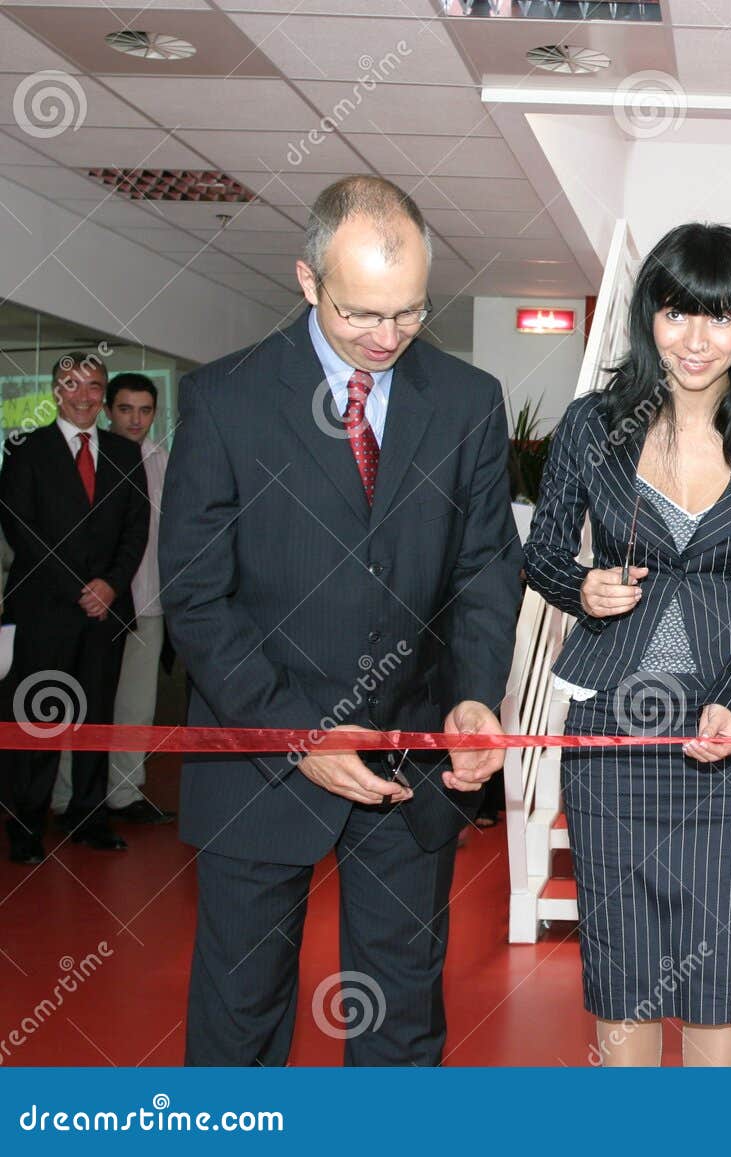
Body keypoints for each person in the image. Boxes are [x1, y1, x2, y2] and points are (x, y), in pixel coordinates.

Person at [161, 175, 521, 1066]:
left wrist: (474, 695)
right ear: (307, 280)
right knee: (239, 1019)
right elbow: (197, 597)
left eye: (409, 312)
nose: (389, 337)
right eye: (363, 313)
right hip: (259, 754)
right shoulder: (227, 399)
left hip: (408, 754)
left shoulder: (468, 401)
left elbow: (483, 569)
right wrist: (299, 731)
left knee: (400, 1022)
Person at [523, 222, 731, 1067]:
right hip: (613, 727)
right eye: (679, 311)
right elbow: (541, 552)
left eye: (721, 319)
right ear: (649, 312)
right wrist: (577, 586)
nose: (696, 339)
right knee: (622, 957)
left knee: (722, 959)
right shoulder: (589, 425)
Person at [0, 352, 149, 863]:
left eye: (93, 386)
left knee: (96, 717)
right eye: (72, 385)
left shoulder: (125, 454)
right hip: (46, 609)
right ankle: (25, 826)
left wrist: (109, 585)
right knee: (38, 718)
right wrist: (77, 588)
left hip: (107, 611)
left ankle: (90, 818)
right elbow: (21, 531)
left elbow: (136, 530)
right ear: (56, 392)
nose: (84, 396)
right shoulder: (24, 450)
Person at [48, 373, 173, 825]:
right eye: (125, 409)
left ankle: (124, 793)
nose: (135, 419)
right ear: (107, 411)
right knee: (80, 703)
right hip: (93, 604)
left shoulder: (162, 461)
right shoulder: (84, 459)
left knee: (135, 706)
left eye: (145, 410)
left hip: (148, 602)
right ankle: (67, 798)